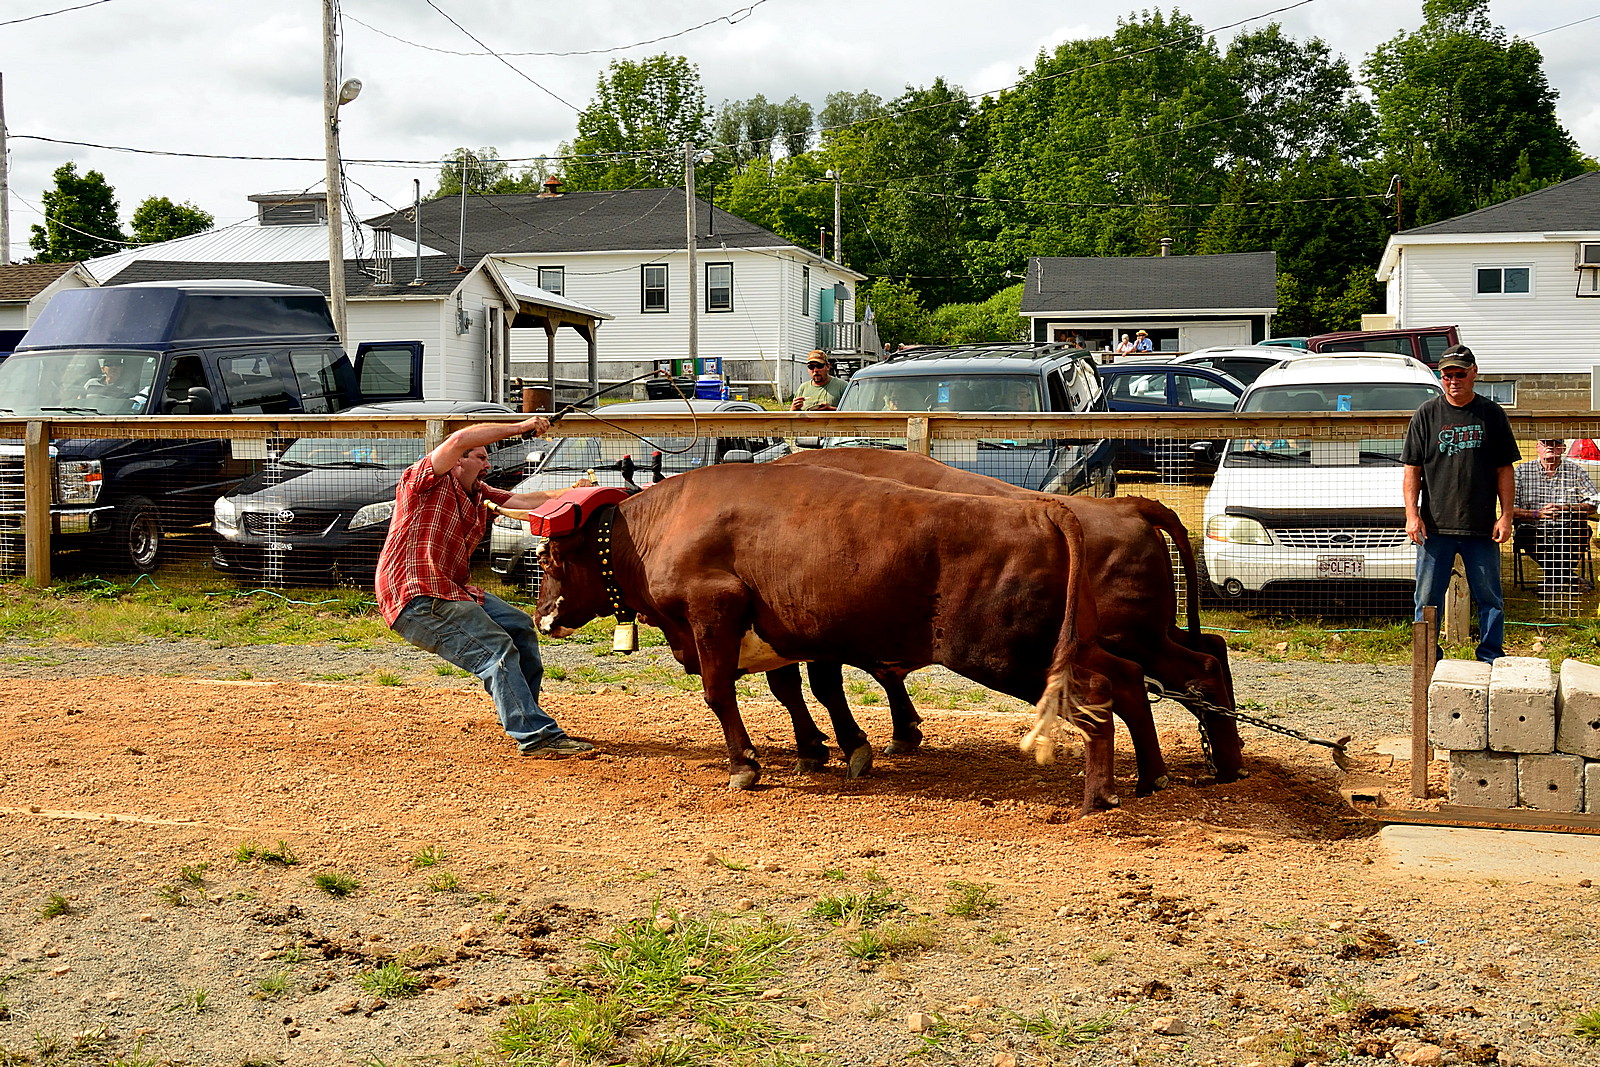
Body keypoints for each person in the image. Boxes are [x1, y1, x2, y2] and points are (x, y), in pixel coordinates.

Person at [375, 415, 595, 758]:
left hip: (452, 592)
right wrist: (523, 426)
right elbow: (460, 437)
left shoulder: (480, 496)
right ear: (458, 459)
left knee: (519, 627)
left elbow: (526, 502)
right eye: (481, 456)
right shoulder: (424, 481)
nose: (488, 464)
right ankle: (536, 737)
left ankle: (522, 712)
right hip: (416, 595)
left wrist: (576, 494)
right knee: (496, 648)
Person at [1402, 344, 1521, 662]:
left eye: (1460, 374)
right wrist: (1412, 515)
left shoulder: (1491, 414)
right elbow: (1412, 470)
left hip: (1481, 527)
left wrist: (1505, 515)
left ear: (1474, 374)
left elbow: (1504, 469)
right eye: (1447, 375)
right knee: (1427, 598)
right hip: (1435, 528)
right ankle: (1427, 657)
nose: (1454, 380)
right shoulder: (1426, 414)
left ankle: (1490, 655)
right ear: (1441, 377)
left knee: (1490, 598)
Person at [1512, 439, 1598, 592]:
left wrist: (1565, 508)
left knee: (1582, 530)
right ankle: (1566, 579)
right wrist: (1537, 514)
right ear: (1537, 447)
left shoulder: (1576, 471)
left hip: (1566, 525)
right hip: (1532, 526)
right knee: (1526, 534)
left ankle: (1552, 582)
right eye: (1546, 443)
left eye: (1556, 444)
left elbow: (1593, 503)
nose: (1551, 447)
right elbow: (1509, 509)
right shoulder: (1521, 471)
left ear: (1563, 448)